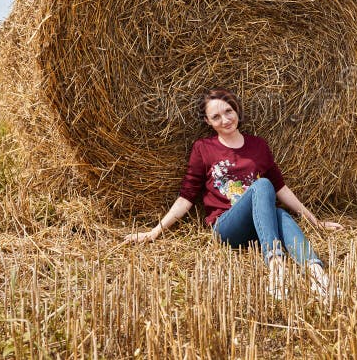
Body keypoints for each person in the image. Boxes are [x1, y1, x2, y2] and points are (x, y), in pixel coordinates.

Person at [124, 87, 342, 299]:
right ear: (207, 122)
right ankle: (277, 268)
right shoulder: (203, 148)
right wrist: (154, 232)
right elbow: (186, 197)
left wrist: (316, 222)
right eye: (216, 116)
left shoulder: (258, 146)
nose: (225, 120)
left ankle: (317, 274)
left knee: (280, 213)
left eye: (228, 111)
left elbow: (281, 188)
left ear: (236, 109)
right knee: (262, 185)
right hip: (227, 227)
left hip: (261, 226)